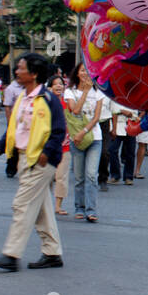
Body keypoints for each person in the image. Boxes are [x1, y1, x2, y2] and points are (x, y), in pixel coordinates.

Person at [0, 53, 65, 271]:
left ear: (34, 74)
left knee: (22, 204)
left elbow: (59, 130)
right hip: (24, 157)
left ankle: (11, 254)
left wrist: (47, 153)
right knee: (41, 209)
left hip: (40, 162)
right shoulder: (22, 96)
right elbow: (15, 127)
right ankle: (52, 253)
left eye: (21, 68)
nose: (17, 71)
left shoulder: (48, 99)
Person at [64, 64, 104, 222]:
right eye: (82, 71)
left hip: (94, 137)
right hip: (76, 139)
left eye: (88, 71)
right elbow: (75, 110)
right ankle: (79, 207)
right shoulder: (70, 91)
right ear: (77, 73)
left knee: (91, 175)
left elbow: (96, 117)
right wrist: (85, 91)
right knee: (79, 176)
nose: (85, 74)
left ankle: (91, 210)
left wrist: (84, 132)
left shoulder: (99, 92)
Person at [48, 74, 71, 216]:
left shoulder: (67, 104)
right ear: (49, 87)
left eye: (61, 84)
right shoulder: (45, 103)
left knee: (61, 177)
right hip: (48, 146)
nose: (58, 86)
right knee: (47, 177)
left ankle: (57, 206)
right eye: (55, 84)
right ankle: (45, 204)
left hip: (65, 145)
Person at [107, 98, 136, 185]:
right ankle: (115, 175)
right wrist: (113, 129)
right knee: (112, 150)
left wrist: (130, 114)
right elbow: (113, 111)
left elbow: (137, 113)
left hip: (130, 125)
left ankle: (128, 177)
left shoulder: (133, 97)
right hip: (117, 125)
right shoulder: (114, 96)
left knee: (130, 152)